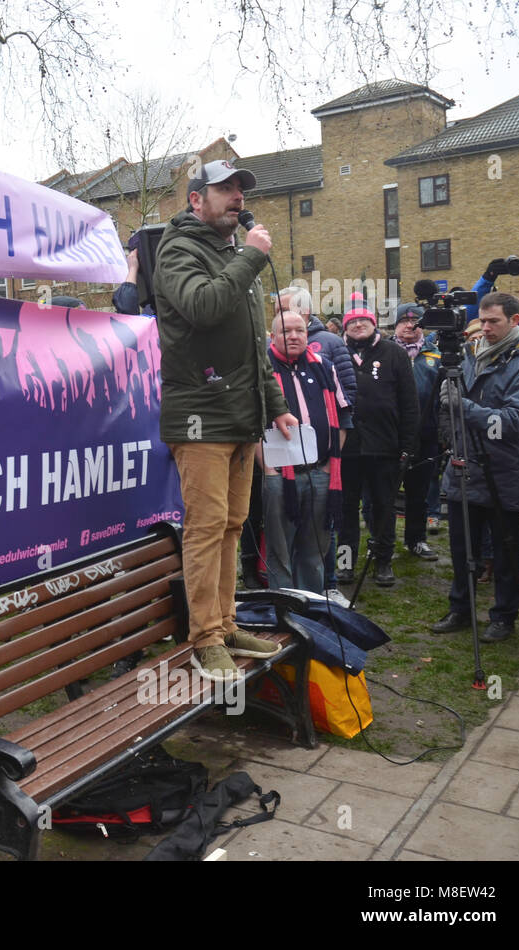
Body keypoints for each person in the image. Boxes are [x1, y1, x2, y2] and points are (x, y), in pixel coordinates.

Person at [154, 159, 296, 680]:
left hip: (241, 415)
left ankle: (226, 621)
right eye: (225, 189)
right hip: (200, 417)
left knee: (233, 525)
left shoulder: (234, 253)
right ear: (197, 200)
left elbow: (253, 349)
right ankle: (204, 637)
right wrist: (253, 261)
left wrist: (276, 405)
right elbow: (204, 307)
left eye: (241, 189)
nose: (237, 197)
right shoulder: (178, 250)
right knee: (207, 527)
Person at [433, 292, 519, 641]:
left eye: (493, 321)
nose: (485, 327)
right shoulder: (468, 356)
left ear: (514, 320)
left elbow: (512, 422)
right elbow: (448, 406)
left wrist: (464, 408)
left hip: (504, 472)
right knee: (461, 549)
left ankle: (503, 616)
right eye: (482, 320)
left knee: (506, 549)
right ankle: (460, 609)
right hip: (463, 467)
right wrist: (451, 430)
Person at [260, 310, 350, 592]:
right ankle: (283, 611)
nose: (295, 336)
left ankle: (309, 609)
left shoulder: (323, 366)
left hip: (321, 472)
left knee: (315, 550)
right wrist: (268, 470)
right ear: (273, 336)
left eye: (300, 330)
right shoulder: (260, 370)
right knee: (280, 550)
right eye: (287, 331)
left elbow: (344, 418)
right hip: (278, 476)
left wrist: (327, 467)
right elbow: (249, 424)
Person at [338, 298, 418, 588]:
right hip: (347, 447)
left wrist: (408, 445)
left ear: (374, 324)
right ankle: (345, 562)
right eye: (352, 322)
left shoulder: (394, 353)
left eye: (364, 321)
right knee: (345, 509)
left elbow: (409, 403)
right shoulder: (337, 352)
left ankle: (383, 560)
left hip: (385, 446)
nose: (359, 325)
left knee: (384, 506)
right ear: (346, 327)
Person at [392, 304, 442, 563]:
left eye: (414, 322)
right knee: (383, 494)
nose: (409, 326)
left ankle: (416, 539)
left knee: (419, 493)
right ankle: (381, 543)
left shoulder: (436, 354)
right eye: (403, 321)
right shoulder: (385, 352)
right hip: (390, 436)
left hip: (426, 435)